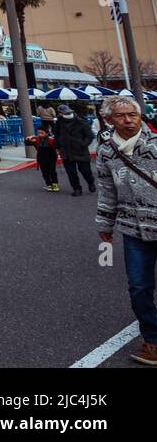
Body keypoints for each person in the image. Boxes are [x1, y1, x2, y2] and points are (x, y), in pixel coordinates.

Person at [94, 95, 157, 366]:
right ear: (109, 120)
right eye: (121, 115)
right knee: (139, 287)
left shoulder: (154, 144)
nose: (128, 120)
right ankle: (152, 341)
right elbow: (107, 191)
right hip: (133, 229)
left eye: (133, 114)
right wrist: (105, 224)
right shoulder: (106, 151)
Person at [55, 104, 96, 196]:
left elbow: (90, 136)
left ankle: (90, 182)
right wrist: (57, 147)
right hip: (66, 151)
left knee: (85, 171)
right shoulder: (59, 122)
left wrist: (83, 144)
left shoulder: (81, 122)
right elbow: (56, 135)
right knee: (71, 172)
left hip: (80, 150)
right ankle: (76, 188)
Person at [26, 127, 60, 191]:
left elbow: (57, 147)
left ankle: (55, 185)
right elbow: (27, 143)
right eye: (38, 133)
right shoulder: (36, 140)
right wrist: (28, 139)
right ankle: (49, 185)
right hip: (41, 158)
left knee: (52, 171)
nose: (40, 134)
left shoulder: (51, 140)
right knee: (44, 172)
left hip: (51, 158)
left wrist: (58, 152)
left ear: (47, 133)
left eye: (42, 133)